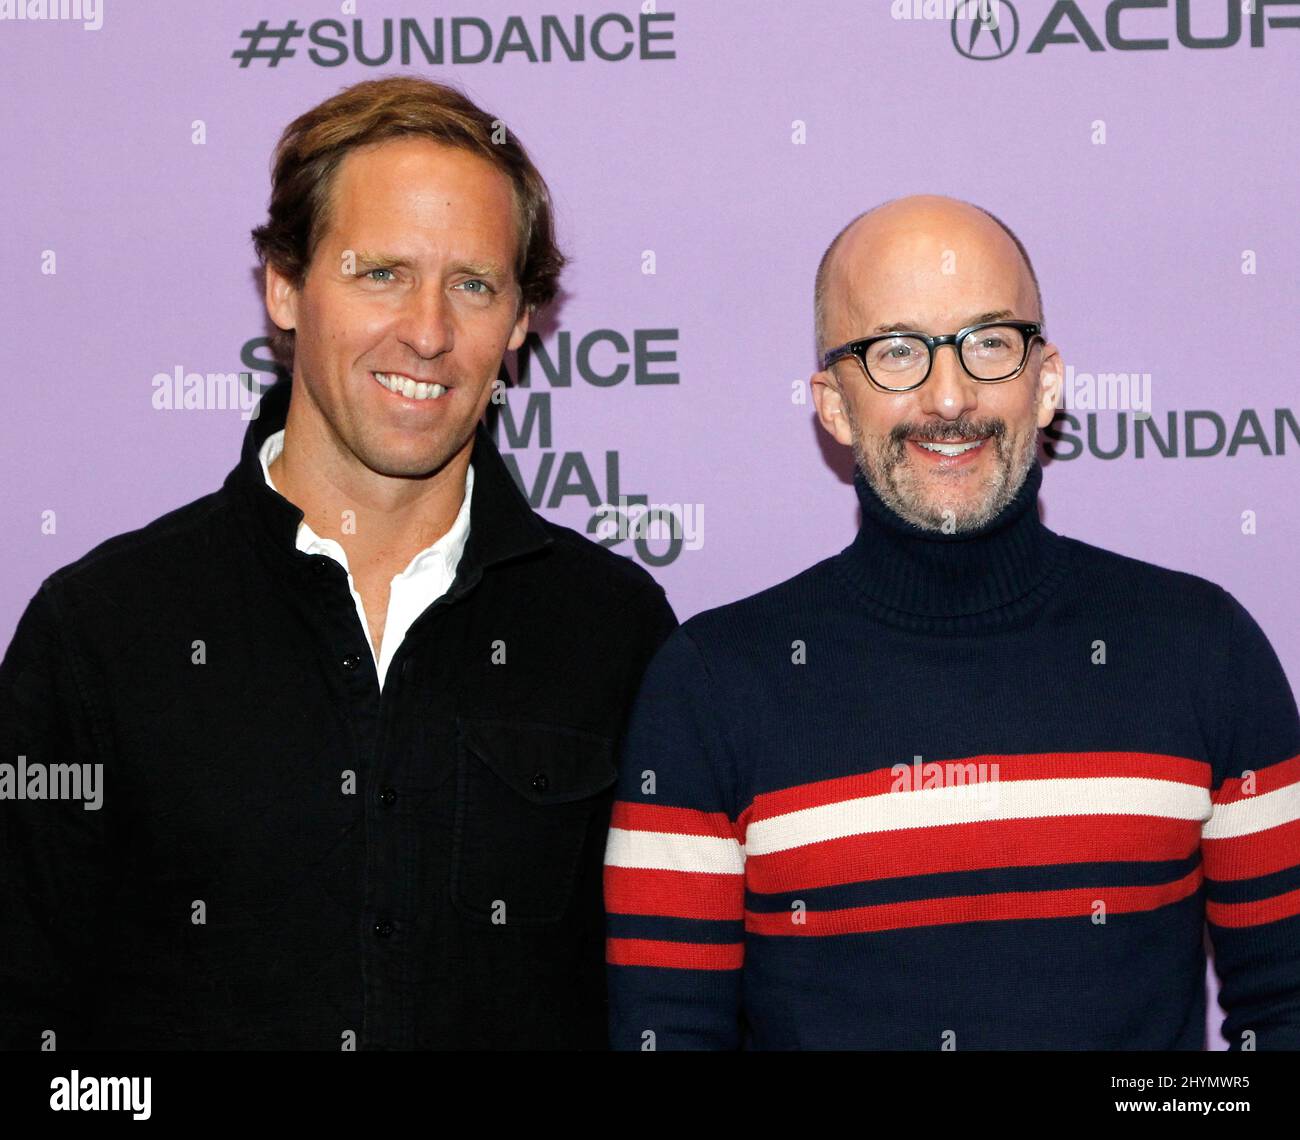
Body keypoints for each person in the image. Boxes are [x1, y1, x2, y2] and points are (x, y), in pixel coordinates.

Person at [0, 76, 676, 1050]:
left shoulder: (614, 630)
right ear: (284, 286)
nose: (430, 332)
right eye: (380, 273)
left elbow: (657, 1009)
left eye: (474, 285)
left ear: (522, 323)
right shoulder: (102, 631)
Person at [604, 194, 1300, 1050]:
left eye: (990, 344)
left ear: (1046, 383)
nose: (949, 394)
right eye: (896, 350)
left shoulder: (1203, 649)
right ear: (832, 403)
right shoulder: (711, 682)